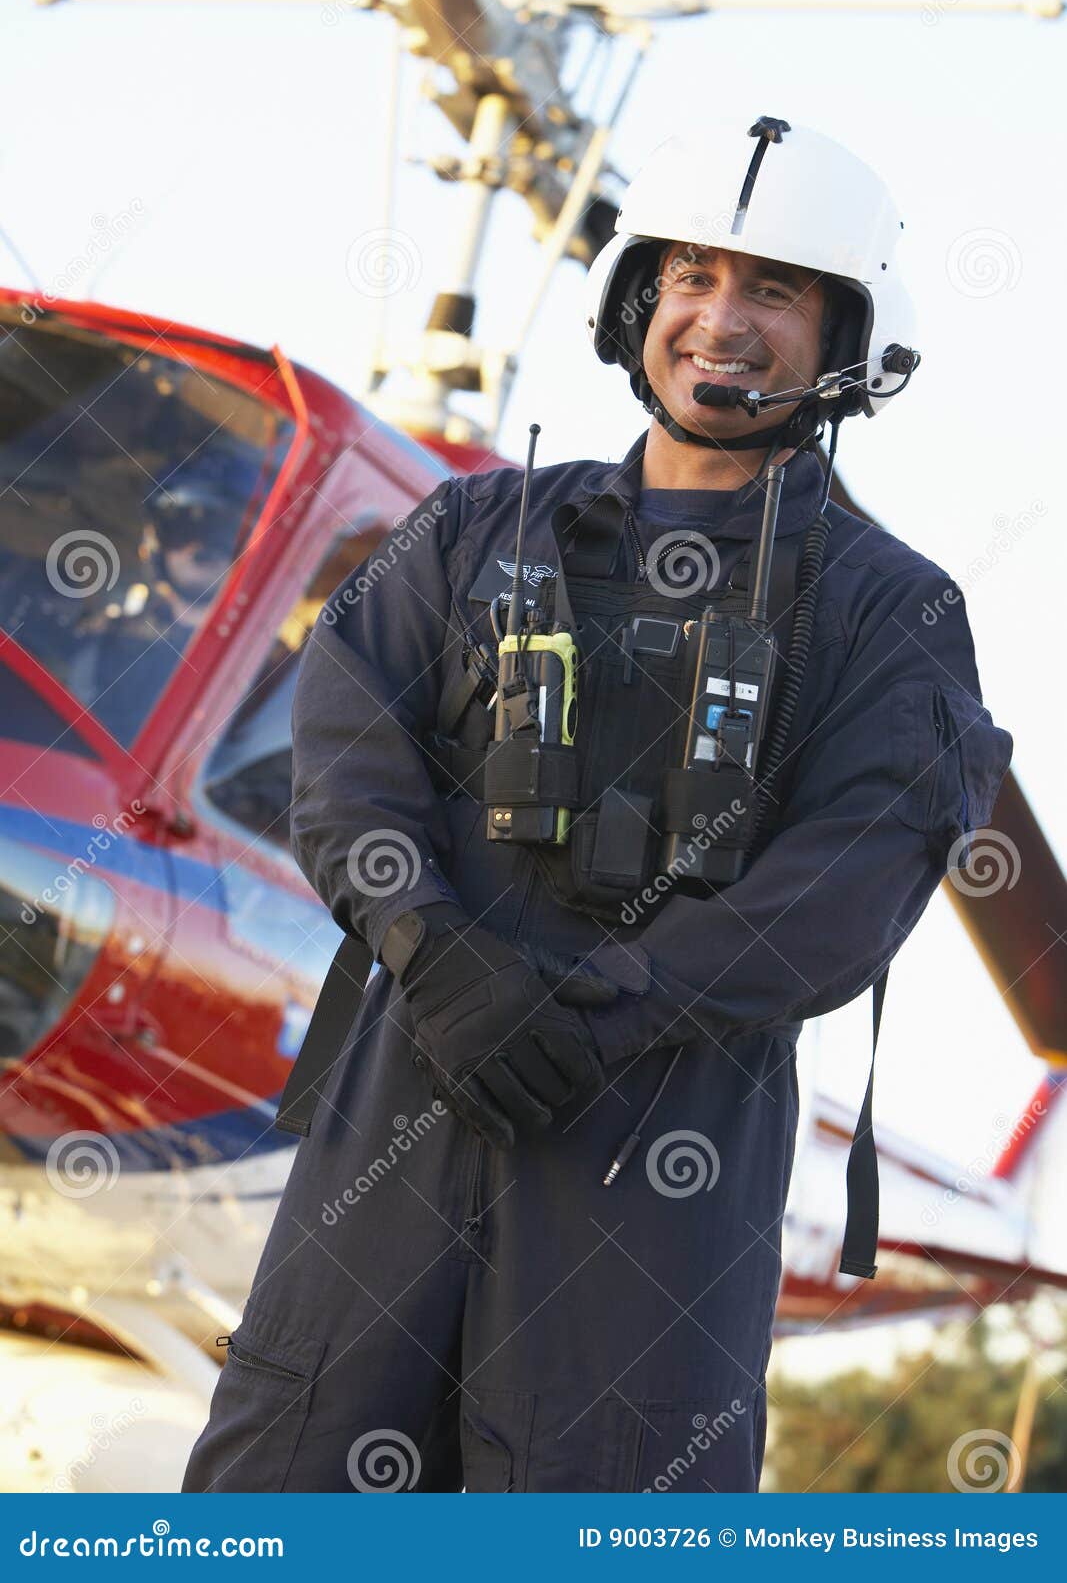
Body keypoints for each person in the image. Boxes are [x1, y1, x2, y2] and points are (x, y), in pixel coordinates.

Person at [182, 114, 1012, 1494]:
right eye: (690, 276)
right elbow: (343, 750)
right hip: (404, 1103)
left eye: (774, 289)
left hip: (657, 1161)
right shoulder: (466, 530)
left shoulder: (892, 610)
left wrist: (608, 1002)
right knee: (291, 1480)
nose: (720, 319)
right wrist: (434, 951)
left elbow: (848, 885)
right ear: (638, 302)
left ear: (844, 338)